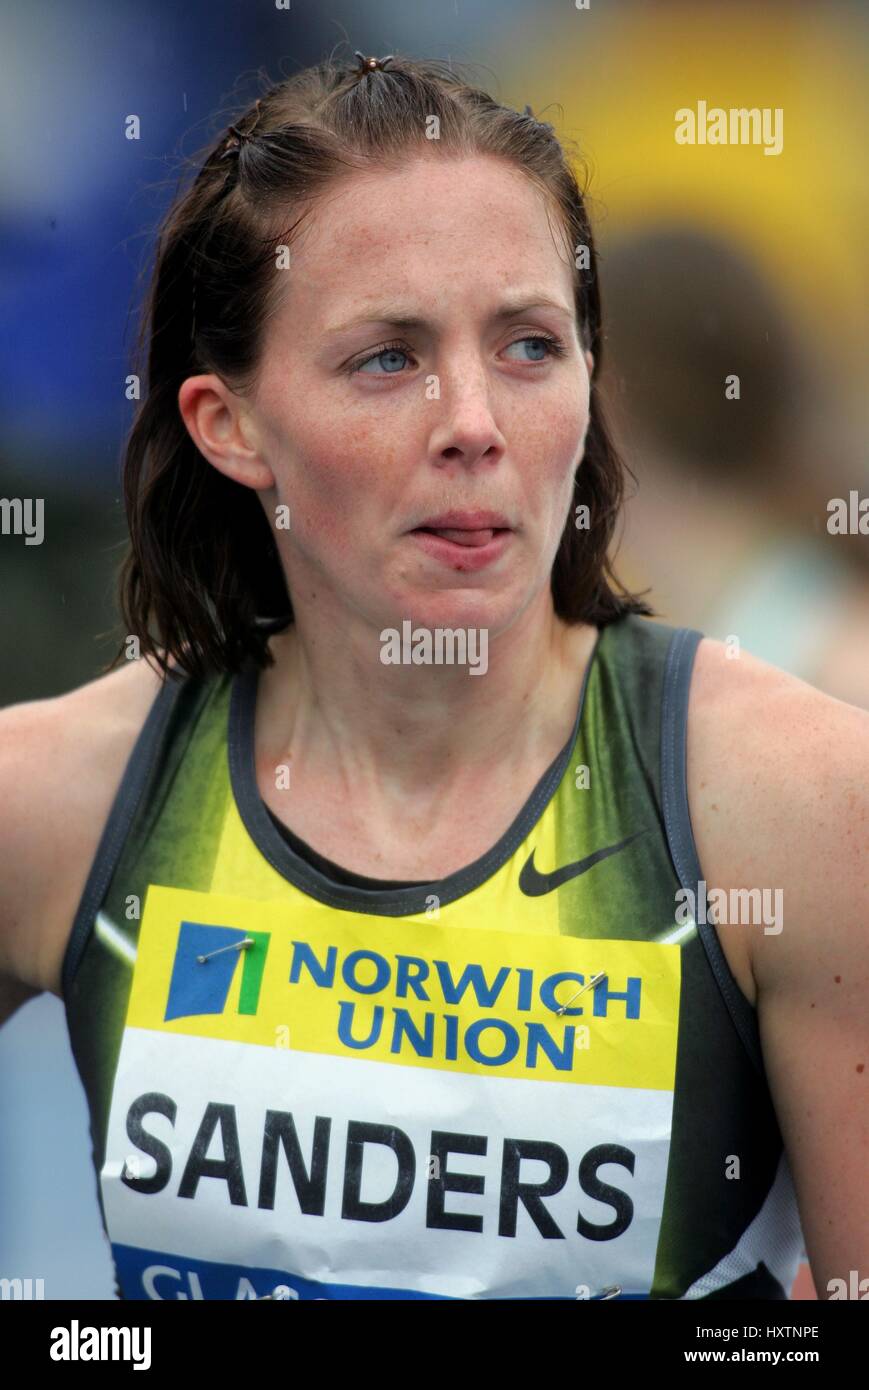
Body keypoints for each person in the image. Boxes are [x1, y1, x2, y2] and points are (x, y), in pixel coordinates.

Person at [0, 52, 865, 1303]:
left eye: (526, 345)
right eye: (387, 359)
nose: (473, 421)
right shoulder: (57, 800)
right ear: (224, 422)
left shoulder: (792, 807)